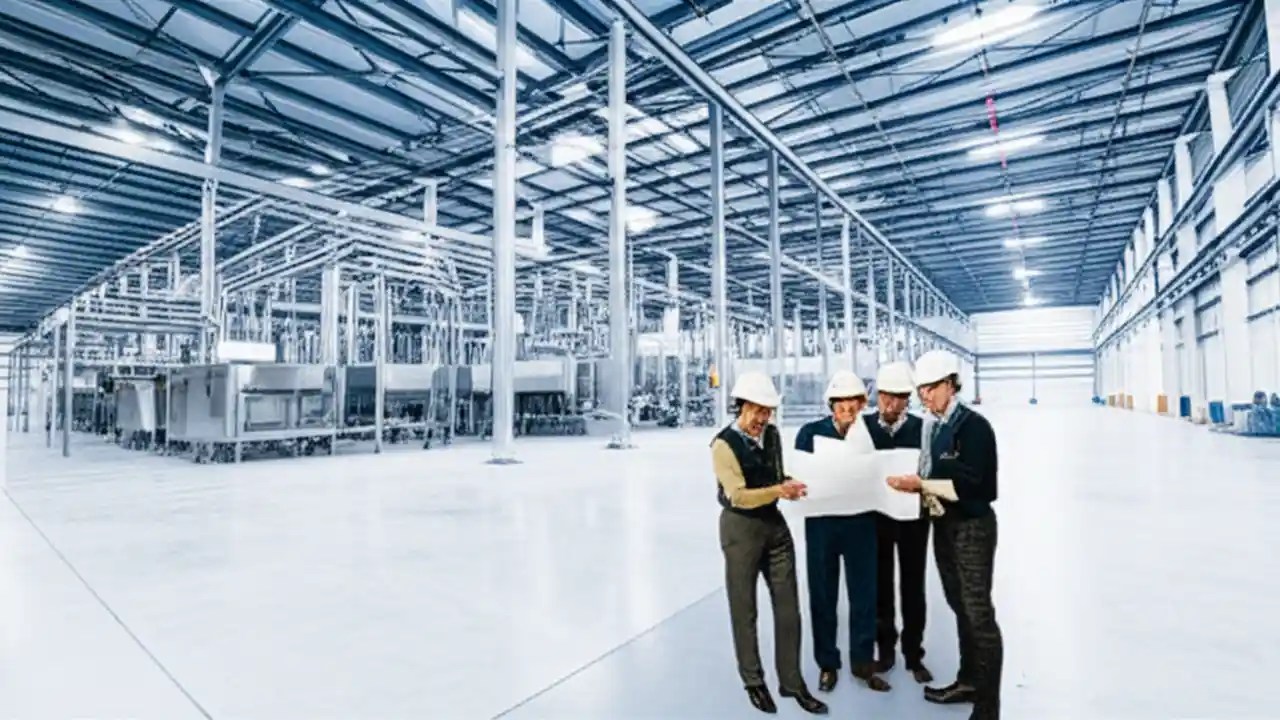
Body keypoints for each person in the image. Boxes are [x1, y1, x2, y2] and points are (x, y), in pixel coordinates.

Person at [887, 349, 1003, 720]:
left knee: (979, 615)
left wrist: (923, 484)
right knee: (960, 608)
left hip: (972, 528)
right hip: (944, 526)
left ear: (951, 385)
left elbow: (982, 488)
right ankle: (968, 681)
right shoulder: (933, 427)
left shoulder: (974, 427)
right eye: (921, 390)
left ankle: (988, 708)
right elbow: (930, 471)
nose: (925, 396)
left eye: (931, 388)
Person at [712, 371, 828, 715]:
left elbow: (777, 476)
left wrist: (794, 484)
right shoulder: (722, 446)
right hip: (740, 529)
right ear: (741, 406)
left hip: (774, 527)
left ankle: (792, 683)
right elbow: (739, 497)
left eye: (768, 412)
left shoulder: (773, 435)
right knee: (744, 609)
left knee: (789, 608)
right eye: (757, 411)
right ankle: (753, 681)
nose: (763, 419)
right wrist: (779, 490)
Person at [793, 370, 890, 694]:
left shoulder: (872, 434)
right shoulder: (810, 433)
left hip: (861, 523)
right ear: (831, 404)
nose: (847, 410)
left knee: (864, 595)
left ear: (863, 404)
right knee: (823, 595)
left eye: (853, 403)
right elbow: (799, 472)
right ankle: (827, 664)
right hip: (822, 524)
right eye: (840, 403)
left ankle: (863, 663)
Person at [863, 361, 932, 684]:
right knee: (880, 586)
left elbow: (933, 472)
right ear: (877, 395)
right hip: (876, 518)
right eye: (885, 397)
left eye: (898, 398)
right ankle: (886, 650)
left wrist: (919, 482)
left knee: (913, 586)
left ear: (908, 398)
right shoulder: (863, 429)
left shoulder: (922, 428)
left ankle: (913, 654)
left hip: (913, 518)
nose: (890, 405)